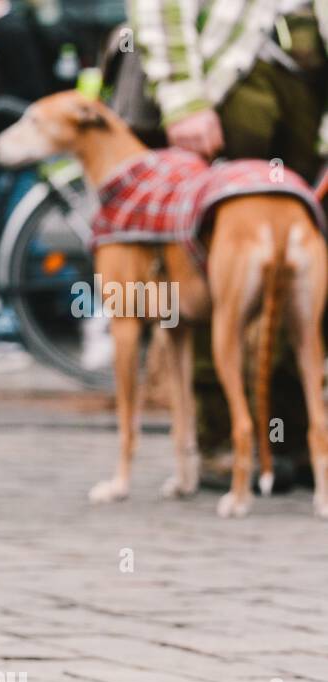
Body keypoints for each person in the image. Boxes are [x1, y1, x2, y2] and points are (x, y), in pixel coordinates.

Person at [130, 0, 328, 489]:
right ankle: (222, 436)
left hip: (313, 78)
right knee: (212, 270)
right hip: (230, 78)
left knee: (302, 261)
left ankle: (290, 438)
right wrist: (182, 97)